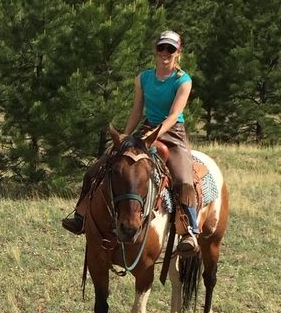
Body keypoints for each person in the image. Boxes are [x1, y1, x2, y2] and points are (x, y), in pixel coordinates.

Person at [62, 30, 200, 254]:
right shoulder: (143, 78)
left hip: (173, 133)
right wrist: (124, 136)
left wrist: (155, 133)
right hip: (145, 130)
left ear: (178, 52)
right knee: (98, 168)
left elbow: (174, 115)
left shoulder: (183, 81)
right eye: (162, 48)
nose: (165, 53)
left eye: (171, 49)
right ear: (155, 50)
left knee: (184, 179)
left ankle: (189, 231)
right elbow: (137, 110)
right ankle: (81, 215)